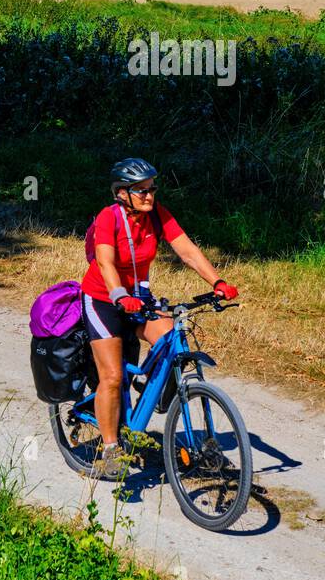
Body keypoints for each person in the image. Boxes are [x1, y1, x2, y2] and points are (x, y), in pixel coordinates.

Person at [80, 157, 238, 480]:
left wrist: (217, 283)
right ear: (122, 193)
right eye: (141, 191)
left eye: (152, 189)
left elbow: (187, 250)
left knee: (170, 340)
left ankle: (148, 386)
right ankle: (110, 449)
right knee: (111, 376)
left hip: (138, 299)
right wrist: (118, 295)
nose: (150, 196)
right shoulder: (108, 219)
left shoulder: (156, 216)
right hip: (103, 300)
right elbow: (106, 262)